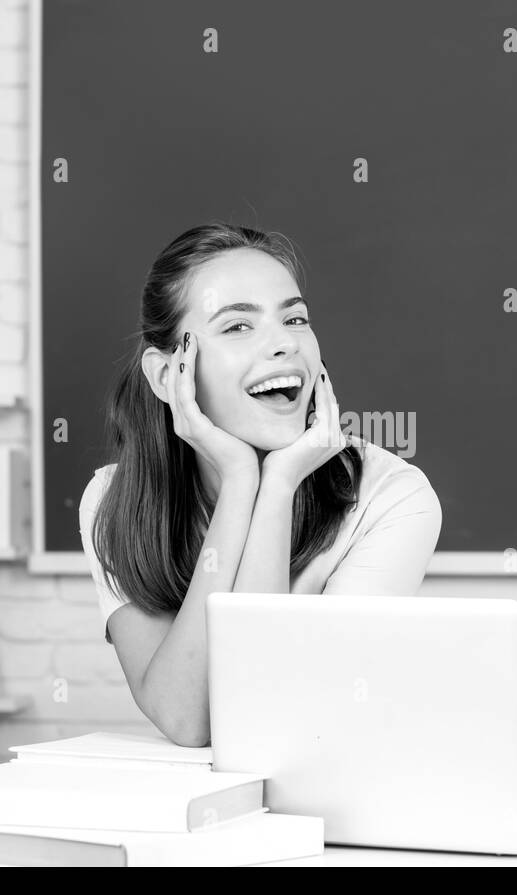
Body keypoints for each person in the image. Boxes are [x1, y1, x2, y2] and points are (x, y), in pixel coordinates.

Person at [79, 223, 442, 747]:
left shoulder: (394, 497)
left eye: (295, 318)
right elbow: (187, 720)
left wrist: (278, 488)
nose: (284, 344)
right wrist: (239, 482)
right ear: (166, 376)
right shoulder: (113, 504)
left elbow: (262, 717)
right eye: (236, 327)